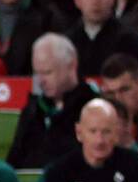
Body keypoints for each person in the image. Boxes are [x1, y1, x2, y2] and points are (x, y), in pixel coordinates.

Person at [6, 34, 99, 168]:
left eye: (47, 72)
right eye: (37, 73)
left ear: (71, 66)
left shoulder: (93, 107)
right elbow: (14, 159)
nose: (41, 81)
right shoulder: (34, 108)